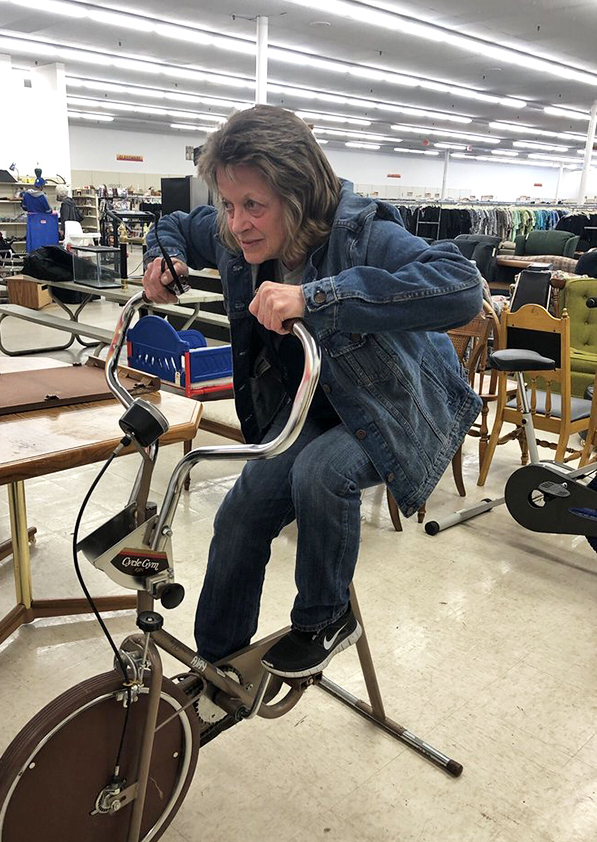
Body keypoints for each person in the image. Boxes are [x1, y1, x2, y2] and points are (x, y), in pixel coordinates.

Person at [143, 105, 483, 679]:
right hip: (314, 407)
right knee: (240, 513)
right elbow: (176, 223)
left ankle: (326, 620)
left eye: (254, 205)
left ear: (297, 194)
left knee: (322, 473)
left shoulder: (362, 233)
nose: (238, 222)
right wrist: (164, 257)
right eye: (229, 204)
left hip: (396, 408)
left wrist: (315, 298)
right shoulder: (236, 234)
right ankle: (215, 670)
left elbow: (462, 286)